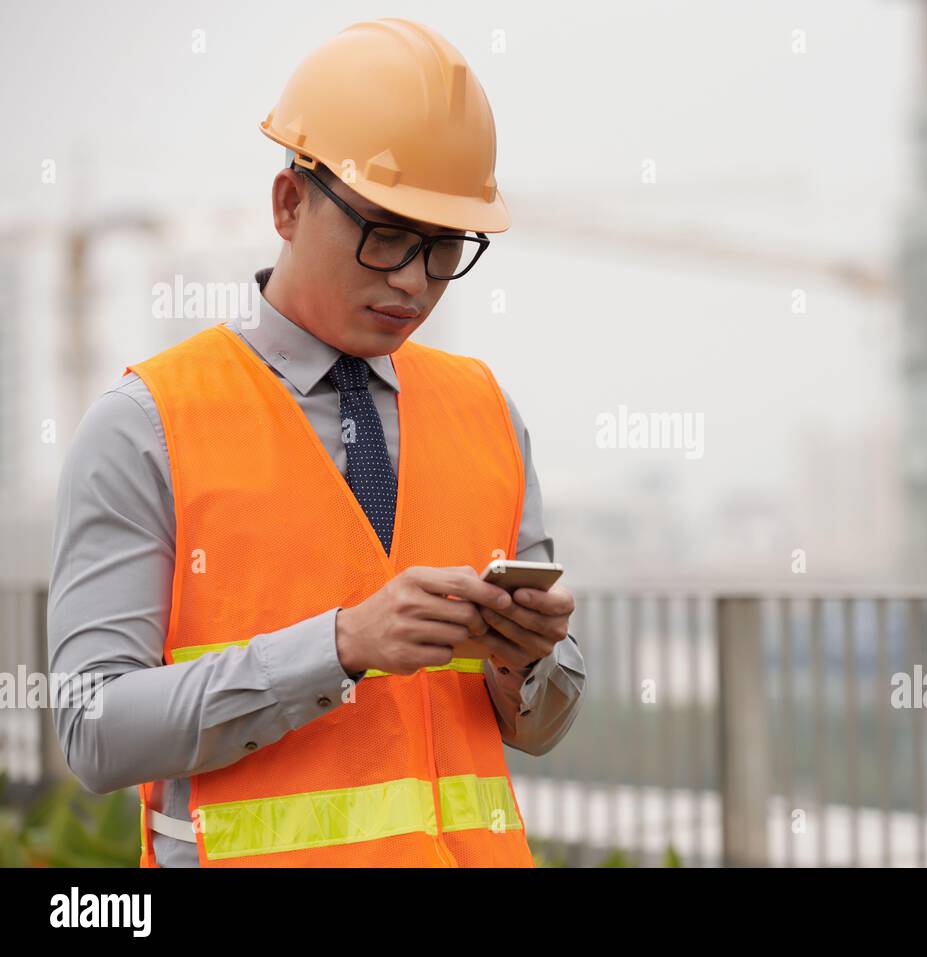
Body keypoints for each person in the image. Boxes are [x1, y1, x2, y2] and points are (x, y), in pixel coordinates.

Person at [46, 18, 584, 867]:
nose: (413, 279)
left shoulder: (487, 410)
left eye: (445, 248)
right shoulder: (147, 424)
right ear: (289, 203)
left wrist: (527, 664)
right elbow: (92, 727)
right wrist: (336, 647)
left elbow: (543, 727)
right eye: (386, 234)